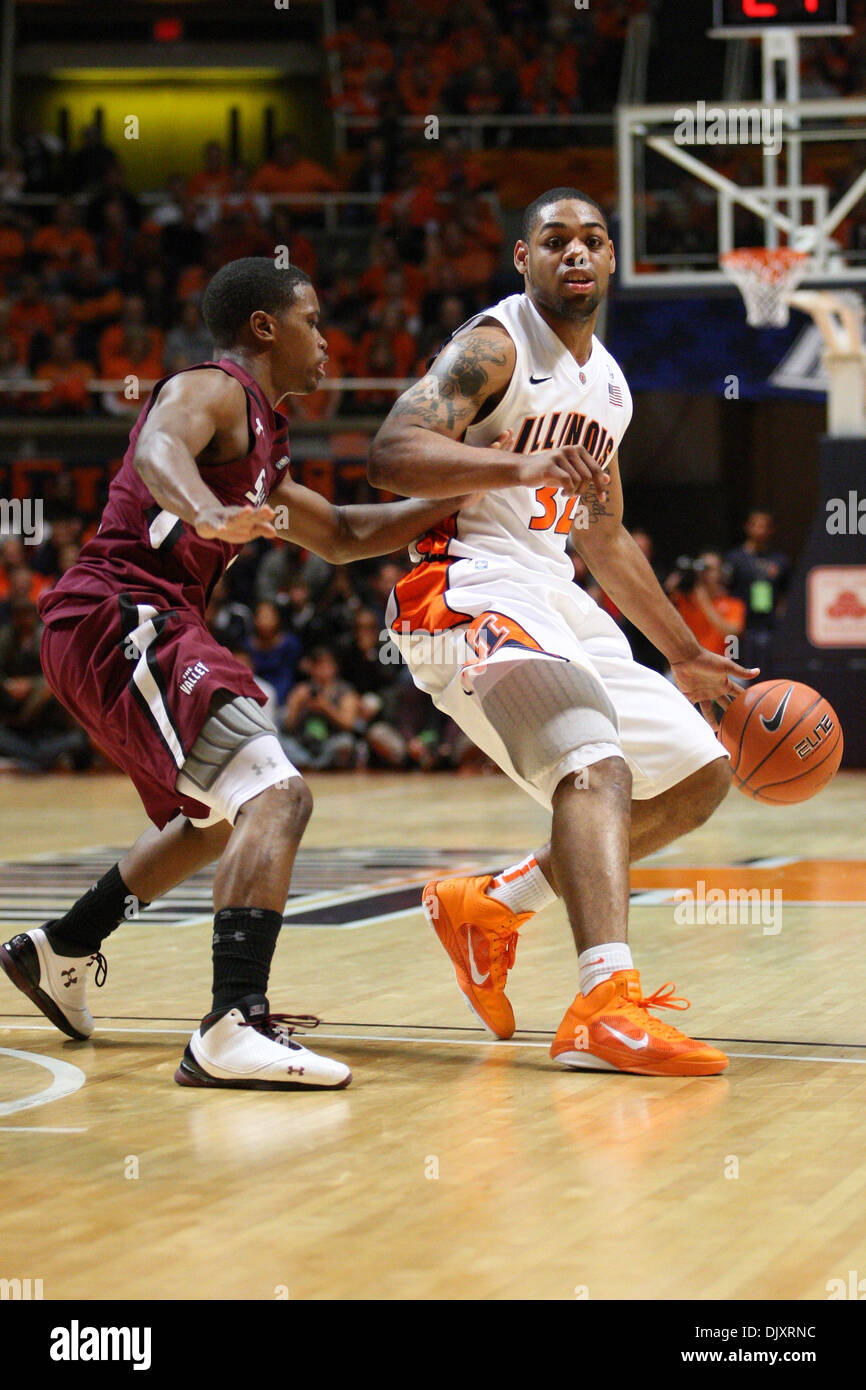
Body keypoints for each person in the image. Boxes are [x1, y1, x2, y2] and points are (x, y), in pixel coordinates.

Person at [0, 256, 471, 1092]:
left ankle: (66, 946)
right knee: (278, 796)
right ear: (265, 327)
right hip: (119, 615)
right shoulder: (213, 390)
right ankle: (232, 1022)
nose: (327, 341)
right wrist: (208, 511)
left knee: (220, 821)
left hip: (123, 627)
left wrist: (476, 490)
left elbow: (348, 533)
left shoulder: (264, 448)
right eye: (313, 322)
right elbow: (156, 447)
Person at [369, 188, 758, 1078]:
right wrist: (520, 460)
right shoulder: (495, 347)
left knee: (702, 777)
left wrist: (685, 652)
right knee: (595, 765)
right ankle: (601, 1004)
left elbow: (601, 534)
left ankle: (493, 904)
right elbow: (390, 452)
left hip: (552, 595)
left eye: (590, 240)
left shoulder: (609, 385)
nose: (574, 254)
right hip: (462, 585)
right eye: (554, 241)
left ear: (612, 258)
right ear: (524, 260)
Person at [725, 510, 790, 670]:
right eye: (757, 526)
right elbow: (726, 591)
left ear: (771, 530)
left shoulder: (779, 559)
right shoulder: (735, 558)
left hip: (769, 625)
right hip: (741, 626)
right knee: (740, 669)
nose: (760, 531)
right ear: (748, 527)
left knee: (768, 669)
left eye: (765, 527)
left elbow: (786, 593)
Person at [666, 552, 746, 661]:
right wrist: (669, 589)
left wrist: (704, 601)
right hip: (688, 665)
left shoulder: (733, 604)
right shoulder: (683, 599)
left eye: (710, 569)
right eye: (702, 568)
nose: (704, 573)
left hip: (721, 665)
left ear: (721, 573)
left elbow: (732, 633)